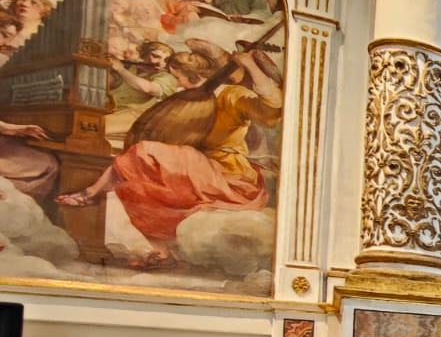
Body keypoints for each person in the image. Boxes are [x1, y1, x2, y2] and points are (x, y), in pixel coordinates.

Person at [55, 48, 280, 269]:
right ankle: (161, 251)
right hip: (196, 166)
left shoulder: (232, 95)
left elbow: (272, 111)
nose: (178, 84)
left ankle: (92, 193)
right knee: (145, 186)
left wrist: (250, 65)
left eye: (178, 78)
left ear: (193, 75)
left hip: (227, 173)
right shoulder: (187, 99)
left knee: (143, 152)